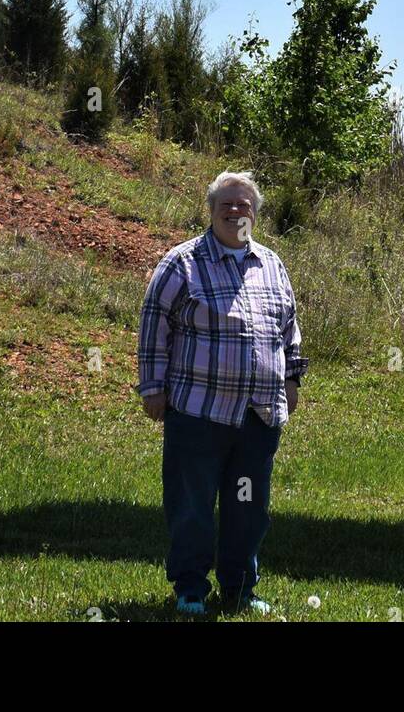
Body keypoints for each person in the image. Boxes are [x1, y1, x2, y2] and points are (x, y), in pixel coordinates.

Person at [136, 170, 308, 616]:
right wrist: (153, 388)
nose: (236, 211)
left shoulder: (272, 263)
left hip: (256, 419)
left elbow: (289, 330)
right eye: (226, 204)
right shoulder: (182, 262)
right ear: (210, 211)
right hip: (198, 414)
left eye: (244, 205)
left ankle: (240, 589)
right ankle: (190, 588)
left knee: (248, 509)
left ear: (255, 214)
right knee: (192, 506)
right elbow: (155, 322)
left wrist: (291, 380)